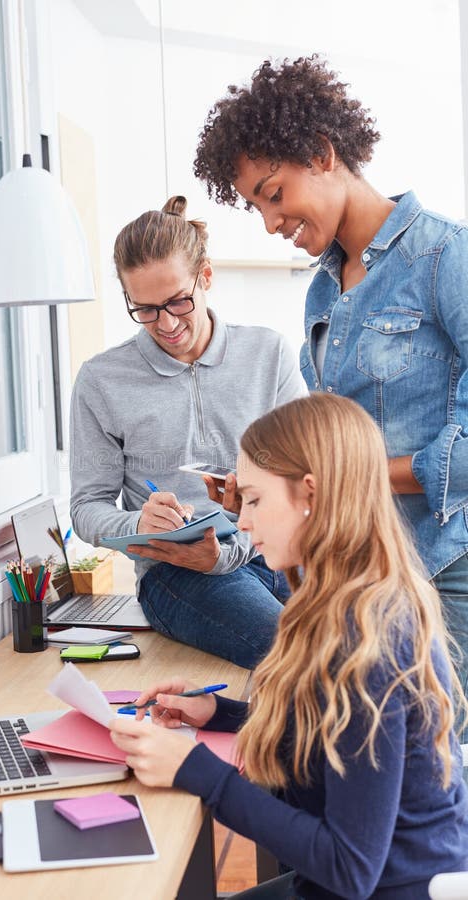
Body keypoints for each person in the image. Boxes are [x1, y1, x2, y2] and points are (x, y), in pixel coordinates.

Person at [109, 394, 468, 900]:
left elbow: (350, 868)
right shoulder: (342, 602)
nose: (241, 521)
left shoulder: (370, 642)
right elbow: (330, 736)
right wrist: (221, 713)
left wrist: (195, 770)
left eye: (254, 500)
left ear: (310, 495)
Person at [191, 54, 468, 703]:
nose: (269, 223)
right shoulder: (323, 292)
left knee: (436, 757)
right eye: (255, 207)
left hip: (445, 569)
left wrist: (349, 475)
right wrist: (269, 488)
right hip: (363, 574)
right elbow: (334, 445)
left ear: (321, 152)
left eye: (273, 194)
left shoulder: (445, 257)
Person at [69, 195, 307, 668]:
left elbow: (302, 481)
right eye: (146, 309)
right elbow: (86, 507)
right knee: (292, 656)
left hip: (281, 550)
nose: (167, 323)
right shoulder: (102, 381)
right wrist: (138, 524)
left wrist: (231, 550)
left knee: (368, 642)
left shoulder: (270, 355)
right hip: (178, 575)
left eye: (179, 301)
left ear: (206, 276)